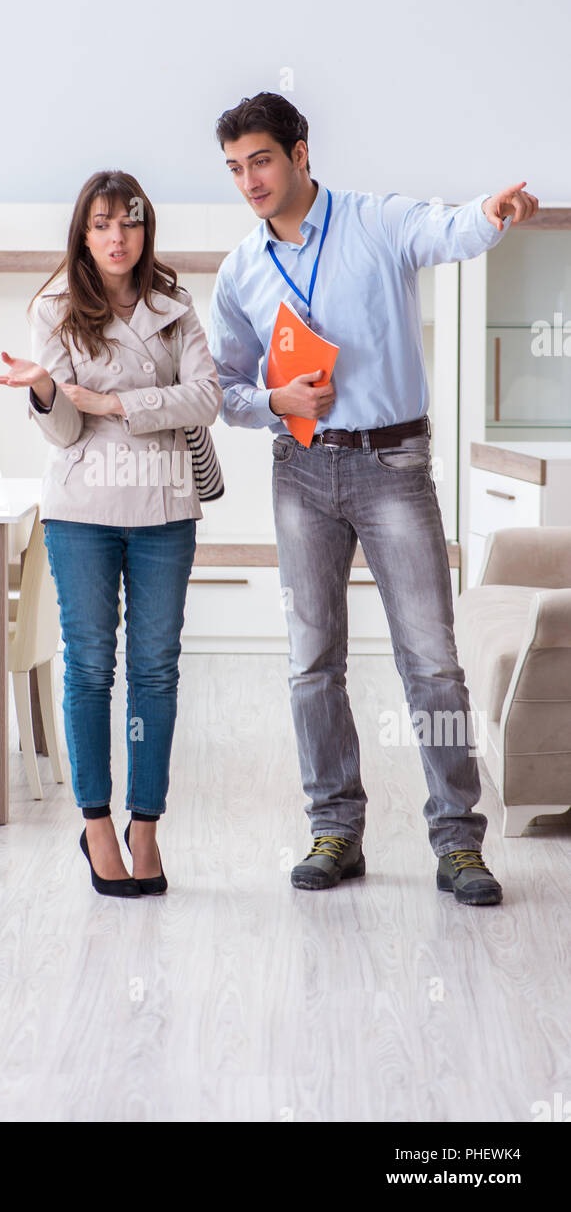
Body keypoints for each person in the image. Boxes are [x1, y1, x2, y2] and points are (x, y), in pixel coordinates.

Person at [207, 91, 538, 906]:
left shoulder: (374, 221)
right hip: (300, 473)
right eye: (234, 167)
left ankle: (458, 842)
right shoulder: (241, 268)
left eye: (260, 160)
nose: (249, 179)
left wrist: (489, 216)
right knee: (310, 664)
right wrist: (276, 403)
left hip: (392, 464)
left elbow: (445, 229)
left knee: (430, 663)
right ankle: (334, 829)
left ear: (300, 153)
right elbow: (222, 384)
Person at [0, 170, 222, 897]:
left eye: (129, 222)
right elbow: (63, 435)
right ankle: (95, 827)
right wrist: (47, 393)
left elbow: (207, 398)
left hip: (164, 509)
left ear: (146, 230)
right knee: (90, 669)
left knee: (155, 670)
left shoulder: (175, 307)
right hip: (81, 510)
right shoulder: (53, 310)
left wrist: (109, 401)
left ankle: (143, 826)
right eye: (100, 224)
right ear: (82, 234)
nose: (115, 236)